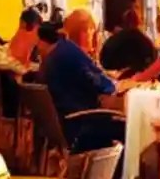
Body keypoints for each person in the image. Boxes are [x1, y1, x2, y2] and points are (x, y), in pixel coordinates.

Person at [42, 9, 125, 154]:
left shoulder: (61, 50)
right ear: (85, 32)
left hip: (66, 121)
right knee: (129, 128)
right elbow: (105, 86)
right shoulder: (73, 53)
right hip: (81, 123)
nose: (94, 37)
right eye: (93, 32)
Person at [99, 8, 157, 80]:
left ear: (124, 22)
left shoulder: (114, 39)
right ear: (139, 22)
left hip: (118, 79)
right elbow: (152, 62)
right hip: (140, 81)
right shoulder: (145, 41)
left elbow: (104, 61)